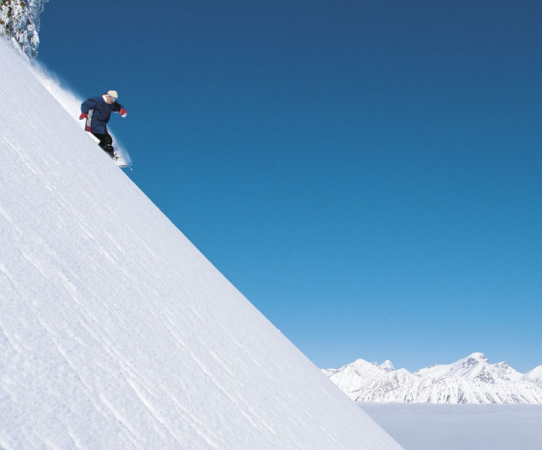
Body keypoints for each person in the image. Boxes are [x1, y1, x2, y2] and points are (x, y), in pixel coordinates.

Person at [79, 90, 127, 159]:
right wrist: (84, 112)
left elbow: (117, 106)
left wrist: (121, 110)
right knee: (106, 139)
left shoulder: (111, 104)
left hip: (101, 126)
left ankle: (101, 153)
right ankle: (109, 157)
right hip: (93, 124)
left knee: (108, 139)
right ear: (108, 96)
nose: (113, 101)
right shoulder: (98, 100)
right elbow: (86, 104)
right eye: (113, 99)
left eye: (115, 100)